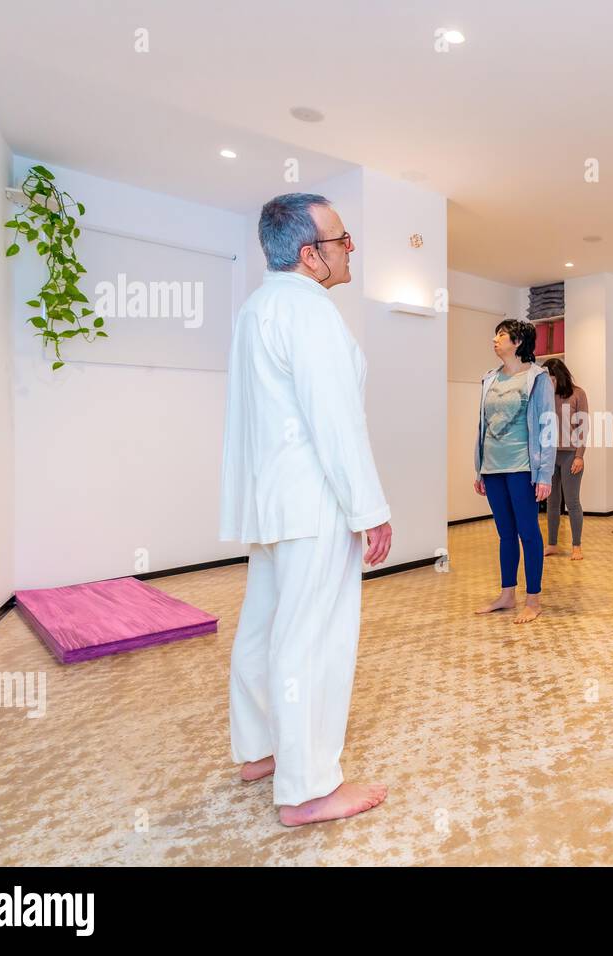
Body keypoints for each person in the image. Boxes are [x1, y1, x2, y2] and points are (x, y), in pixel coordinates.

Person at [220, 192, 392, 827]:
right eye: (342, 239)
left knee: (264, 627)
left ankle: (260, 750)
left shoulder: (257, 307)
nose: (352, 247)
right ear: (310, 255)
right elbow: (336, 421)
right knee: (312, 638)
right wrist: (368, 508)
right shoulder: (311, 312)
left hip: (271, 500)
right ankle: (308, 789)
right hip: (313, 500)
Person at [473, 320, 557, 623]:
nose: (495, 340)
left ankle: (533, 600)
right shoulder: (489, 378)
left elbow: (547, 426)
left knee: (528, 532)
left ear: (518, 342)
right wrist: (479, 469)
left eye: (501, 335)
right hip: (492, 467)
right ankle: (507, 594)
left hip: (522, 467)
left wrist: (544, 474)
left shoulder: (537, 378)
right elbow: (482, 426)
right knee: (505, 534)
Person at [542, 358, 588, 560]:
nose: (549, 383)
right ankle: (552, 544)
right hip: (550, 454)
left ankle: (576, 546)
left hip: (571, 455)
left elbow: (583, 428)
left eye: (552, 379)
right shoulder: (545, 396)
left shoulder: (578, 394)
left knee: (572, 501)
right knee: (552, 502)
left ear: (560, 376)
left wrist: (579, 456)